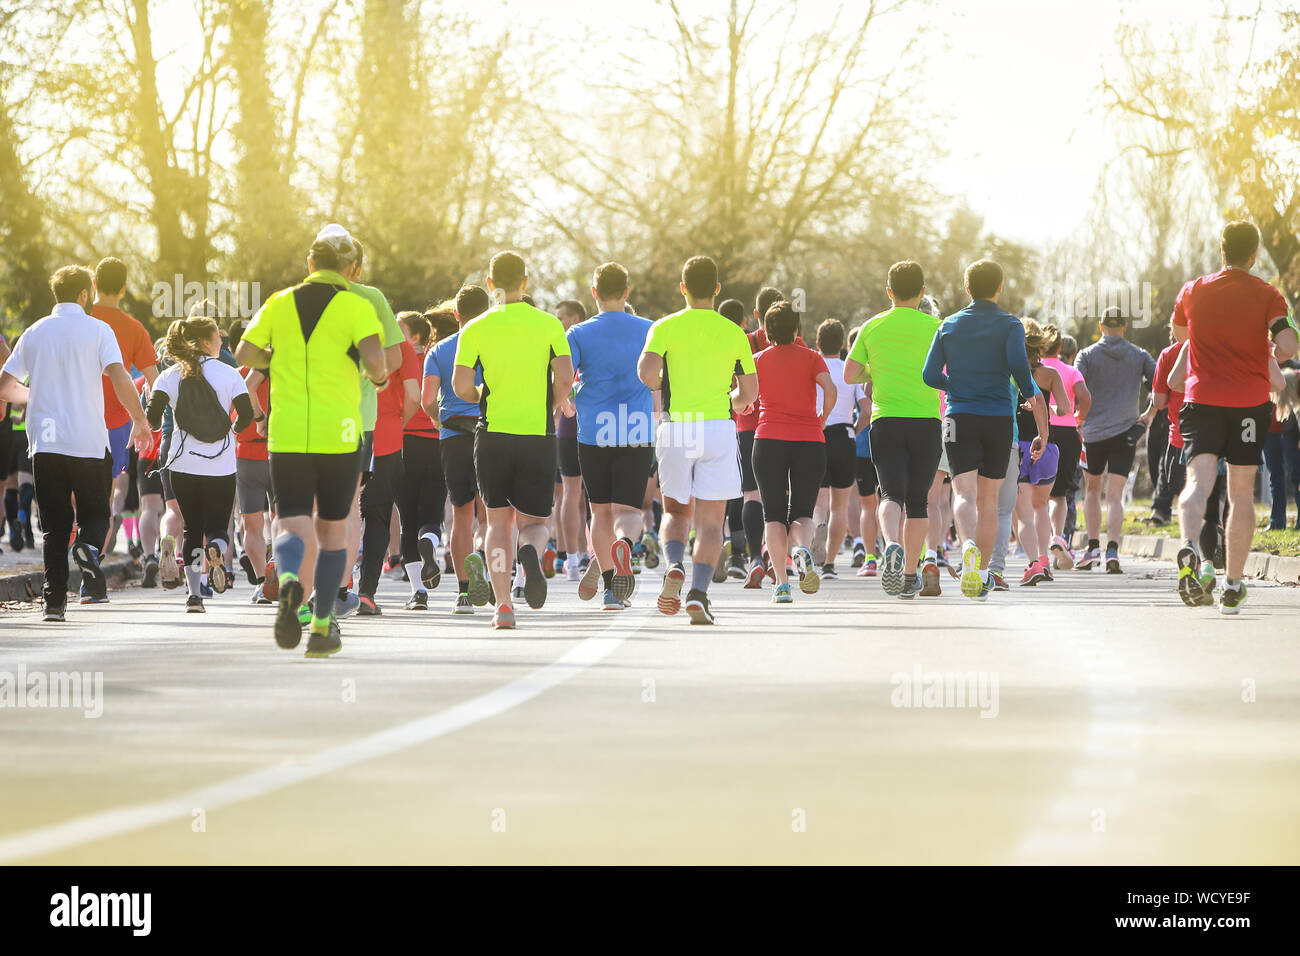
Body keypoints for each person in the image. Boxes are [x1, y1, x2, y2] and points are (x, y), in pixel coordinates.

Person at [234, 224, 387, 657]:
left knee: (291, 521)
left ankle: (286, 584)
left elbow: (244, 354)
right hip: (338, 433)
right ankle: (321, 626)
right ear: (349, 268)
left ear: (309, 264)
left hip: (287, 433)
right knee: (332, 529)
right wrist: (372, 374)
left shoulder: (279, 302)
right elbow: (378, 364)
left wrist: (277, 359)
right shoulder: (355, 306)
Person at [0, 266, 152, 621]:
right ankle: (86, 547)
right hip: (88, 441)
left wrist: (33, 395)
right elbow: (120, 378)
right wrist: (141, 420)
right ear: (85, 295)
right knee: (96, 513)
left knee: (53, 525)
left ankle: (53, 602)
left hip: (46, 444)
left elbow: (6, 386)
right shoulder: (100, 330)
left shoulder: (34, 332)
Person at [1169, 221, 1298, 612]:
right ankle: (1233, 585)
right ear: (1254, 254)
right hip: (1247, 403)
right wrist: (1264, 348)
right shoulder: (1269, 294)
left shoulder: (1193, 289)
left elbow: (1178, 335)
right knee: (1240, 492)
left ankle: (1190, 547)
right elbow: (1289, 345)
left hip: (1202, 399)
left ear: (1221, 250)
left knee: (1198, 482)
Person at [452, 251, 575, 630]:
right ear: (525, 282)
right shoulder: (550, 324)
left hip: (492, 436)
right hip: (537, 435)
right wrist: (551, 404)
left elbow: (460, 387)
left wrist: (484, 394)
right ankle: (530, 553)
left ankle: (503, 604)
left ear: (490, 284)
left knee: (497, 524)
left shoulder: (475, 327)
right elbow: (566, 379)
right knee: (536, 522)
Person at [638, 255, 758, 624]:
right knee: (711, 522)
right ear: (717, 289)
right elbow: (749, 392)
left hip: (676, 426)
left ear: (682, 287)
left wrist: (669, 384)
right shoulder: (734, 332)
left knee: (675, 511)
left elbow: (645, 373)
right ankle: (698, 593)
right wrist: (732, 400)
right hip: (718, 428)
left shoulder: (664, 326)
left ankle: (674, 565)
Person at [922, 259, 1046, 601]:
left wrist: (955, 384)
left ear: (966, 288)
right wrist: (1028, 392)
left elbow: (929, 376)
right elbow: (1020, 368)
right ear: (1000, 287)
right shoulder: (1010, 325)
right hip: (998, 419)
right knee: (989, 499)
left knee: (963, 494)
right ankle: (980, 573)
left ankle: (968, 548)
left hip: (959, 414)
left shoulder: (948, 325)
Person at [845, 261, 943, 598]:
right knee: (918, 502)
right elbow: (950, 370)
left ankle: (891, 545)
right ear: (922, 292)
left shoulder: (872, 326)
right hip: (926, 421)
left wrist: (876, 373)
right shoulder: (937, 327)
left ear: (889, 292)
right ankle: (910, 574)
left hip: (885, 421)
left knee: (890, 494)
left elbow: (849, 373)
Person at [146, 316, 252, 612]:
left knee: (192, 528)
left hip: (182, 463)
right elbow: (246, 415)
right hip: (221, 464)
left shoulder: (168, 376)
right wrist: (232, 432)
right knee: (218, 526)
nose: (222, 341)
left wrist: (147, 400)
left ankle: (194, 595)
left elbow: (154, 422)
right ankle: (216, 549)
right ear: (206, 341)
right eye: (218, 336)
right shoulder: (231, 374)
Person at [567, 263, 655, 610]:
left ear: (593, 292)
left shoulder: (577, 333)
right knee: (629, 510)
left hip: (593, 431)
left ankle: (610, 590)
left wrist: (566, 402)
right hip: (636, 427)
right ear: (627, 292)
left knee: (599, 512)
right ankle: (626, 545)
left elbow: (564, 377)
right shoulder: (650, 329)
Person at [751, 301, 834, 603]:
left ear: (766, 330)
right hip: (809, 440)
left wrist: (746, 405)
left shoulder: (758, 359)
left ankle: (782, 585)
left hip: (769, 439)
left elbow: (746, 398)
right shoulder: (812, 357)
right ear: (797, 328)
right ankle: (802, 550)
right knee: (802, 510)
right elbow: (830, 388)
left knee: (772, 514)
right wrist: (823, 417)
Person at [422, 286, 492, 614]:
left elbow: (426, 401)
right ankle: (491, 570)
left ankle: (464, 593)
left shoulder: (438, 351)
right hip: (489, 429)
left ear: (456, 314)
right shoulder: (495, 347)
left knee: (461, 514)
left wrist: (440, 422)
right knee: (492, 513)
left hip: (452, 434)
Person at [1073, 306, 1156, 573]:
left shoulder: (1086, 355)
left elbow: (1076, 387)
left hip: (1093, 433)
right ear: (1124, 327)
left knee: (1092, 492)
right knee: (1116, 496)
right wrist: (1149, 414)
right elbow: (1161, 384)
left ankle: (1093, 548)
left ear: (1101, 326)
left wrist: (1079, 417)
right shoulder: (1139, 355)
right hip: (1126, 433)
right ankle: (1113, 552)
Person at [89, 257, 159, 564]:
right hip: (116, 425)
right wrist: (143, 420)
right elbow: (156, 383)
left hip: (75, 418)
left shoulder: (78, 321)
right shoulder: (134, 328)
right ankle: (92, 567)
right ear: (124, 288)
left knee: (75, 494)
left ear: (93, 283)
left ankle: (72, 554)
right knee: (103, 498)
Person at [392, 309, 446, 611]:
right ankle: (431, 541)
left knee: (406, 518)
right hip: (437, 442)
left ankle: (417, 591)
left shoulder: (399, 361)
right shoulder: (438, 358)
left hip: (403, 442)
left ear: (413, 336)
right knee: (432, 510)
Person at [1012, 319, 1070, 585]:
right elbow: (1067, 408)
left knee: (1022, 511)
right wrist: (1050, 412)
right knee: (1041, 507)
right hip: (1048, 446)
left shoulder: (1010, 373)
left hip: (1020, 445)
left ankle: (1034, 562)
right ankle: (1045, 561)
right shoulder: (1051, 375)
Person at [737, 286, 786, 586]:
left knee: (751, 494)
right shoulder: (794, 341)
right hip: (782, 426)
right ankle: (777, 555)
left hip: (747, 425)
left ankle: (755, 556)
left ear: (756, 314)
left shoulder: (743, 343)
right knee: (780, 496)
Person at [811, 318, 863, 579]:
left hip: (816, 435)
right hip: (844, 436)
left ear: (817, 344)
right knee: (840, 506)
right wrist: (854, 429)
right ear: (843, 345)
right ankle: (830, 564)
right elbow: (865, 411)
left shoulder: (813, 369)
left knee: (819, 503)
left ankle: (818, 530)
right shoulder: (849, 372)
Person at [1039, 327, 1090, 567]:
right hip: (1068, 433)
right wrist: (1080, 417)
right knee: (1059, 494)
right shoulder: (1070, 371)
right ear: (1060, 348)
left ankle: (1039, 551)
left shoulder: (1035, 369)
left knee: (1039, 495)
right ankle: (1058, 536)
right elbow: (1085, 396)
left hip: (1041, 431)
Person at [553, 299, 588, 580]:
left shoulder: (573, 344)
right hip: (574, 428)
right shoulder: (565, 346)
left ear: (575, 317)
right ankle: (572, 558)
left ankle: (581, 555)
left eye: (561, 317)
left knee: (578, 495)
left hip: (581, 427)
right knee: (572, 493)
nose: (559, 322)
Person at [234, 364, 275, 603]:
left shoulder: (240, 373)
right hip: (283, 450)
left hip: (247, 455)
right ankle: (281, 572)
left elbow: (230, 413)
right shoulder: (291, 363)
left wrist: (258, 417)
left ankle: (262, 583)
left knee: (251, 525)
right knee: (285, 521)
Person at [1148, 328, 1186, 532]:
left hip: (1181, 434)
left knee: (1184, 491)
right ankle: (1215, 529)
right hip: (1217, 433)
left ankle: (1190, 542)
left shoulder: (1169, 354)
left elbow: (1159, 401)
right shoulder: (1219, 349)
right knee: (1214, 490)